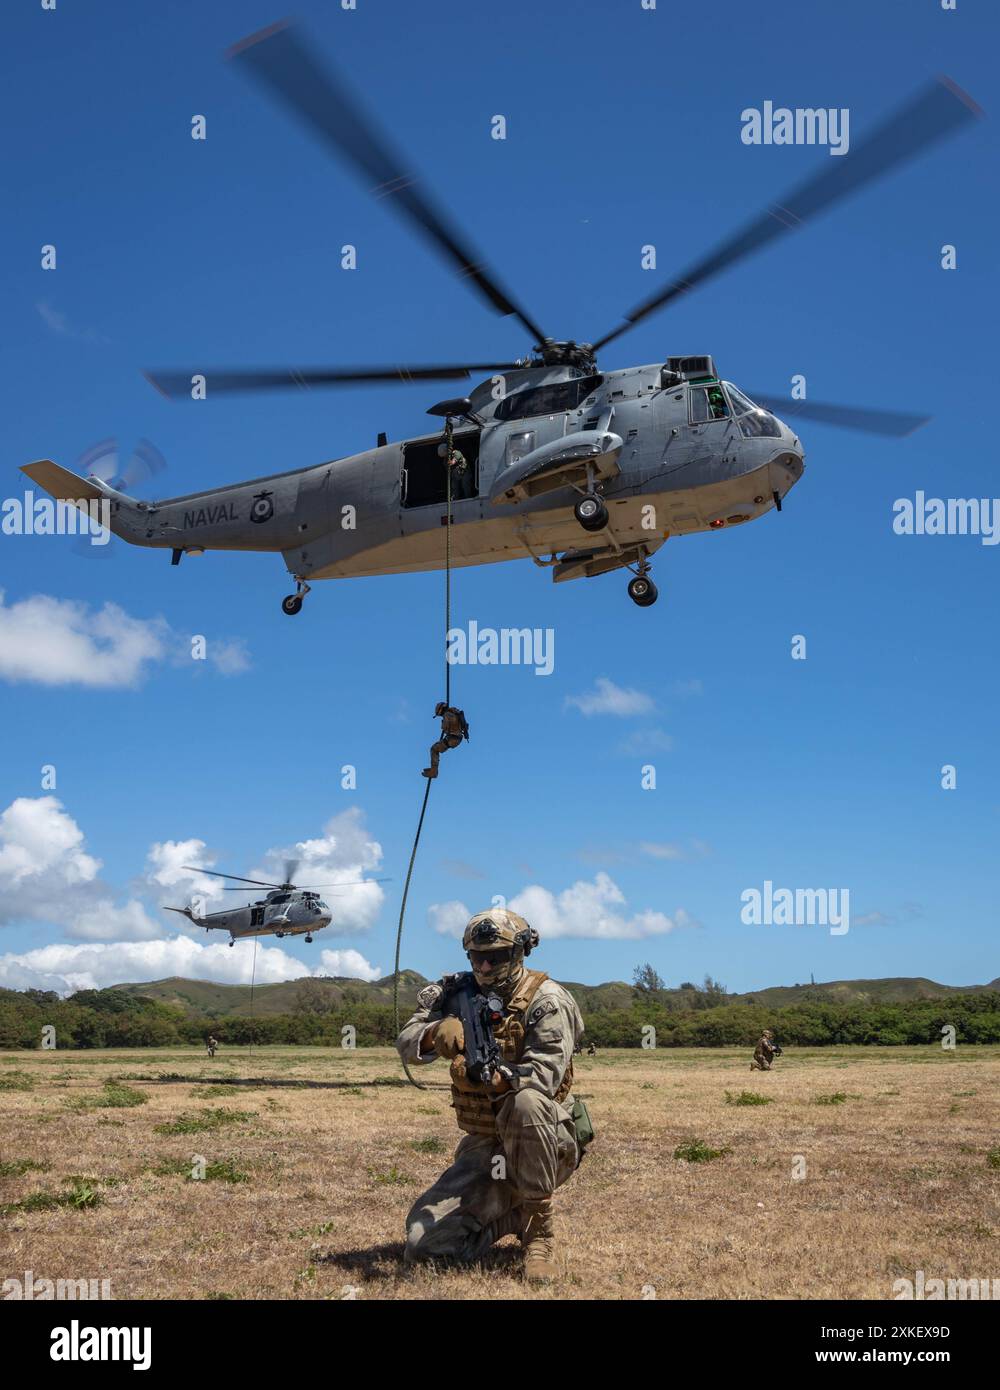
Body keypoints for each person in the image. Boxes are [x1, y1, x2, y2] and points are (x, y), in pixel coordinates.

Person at [396, 908, 586, 1284]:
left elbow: (543, 1078)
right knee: (423, 1244)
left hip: (545, 1142)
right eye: (476, 957)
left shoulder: (547, 1001)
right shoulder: (456, 990)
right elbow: (405, 1042)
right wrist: (436, 1032)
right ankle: (511, 1217)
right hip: (486, 1146)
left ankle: (538, 1235)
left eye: (495, 957)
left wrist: (497, 1081)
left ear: (519, 953)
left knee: (526, 1099)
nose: (484, 966)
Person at [422, 702, 469, 779]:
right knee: (436, 747)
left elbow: (445, 728)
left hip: (452, 739)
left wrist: (443, 723)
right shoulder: (454, 711)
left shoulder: (447, 715)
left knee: (434, 749)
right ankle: (433, 769)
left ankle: (434, 771)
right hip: (456, 737)